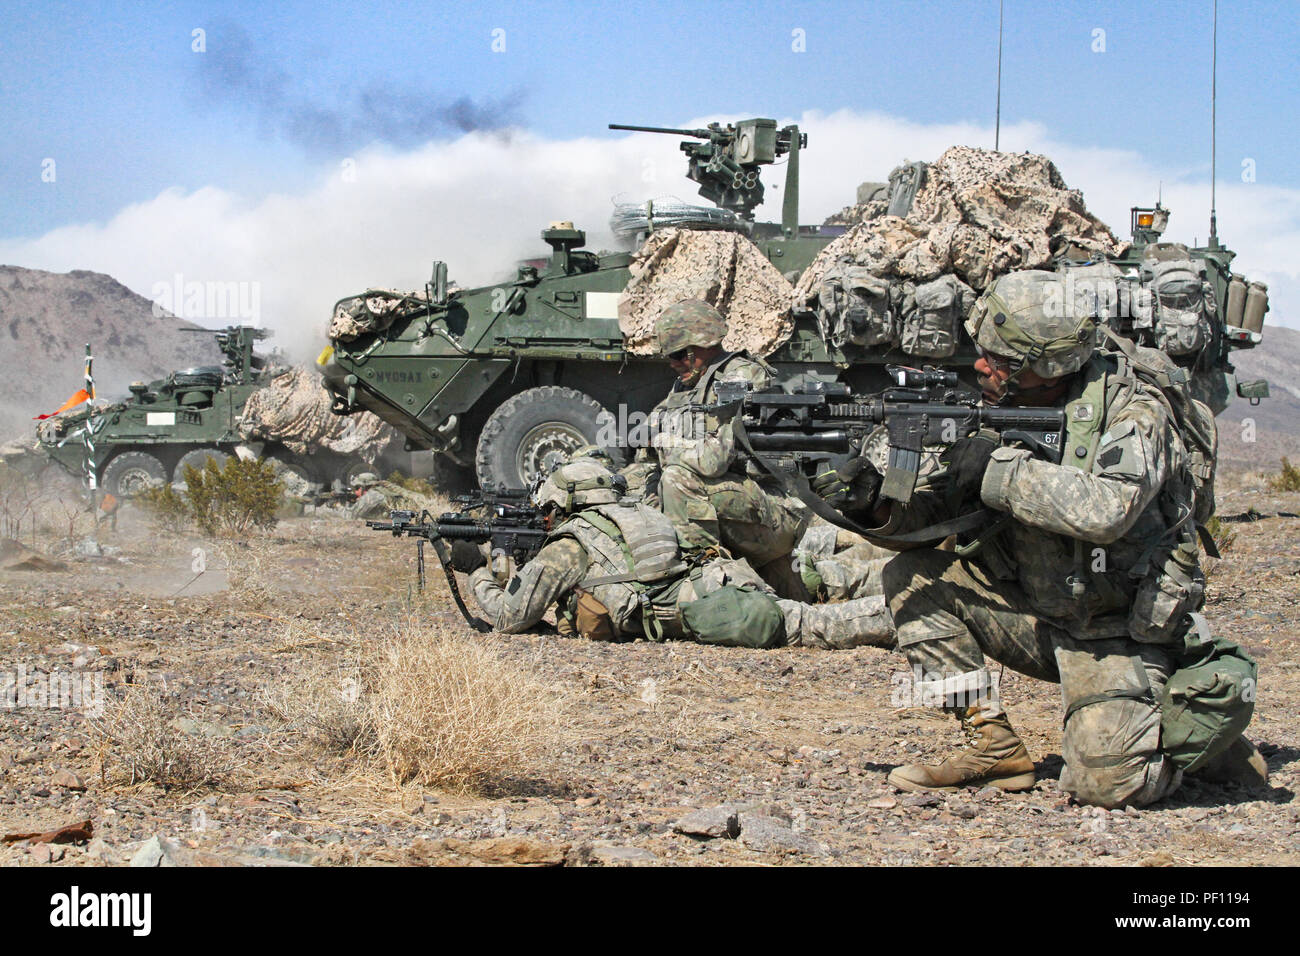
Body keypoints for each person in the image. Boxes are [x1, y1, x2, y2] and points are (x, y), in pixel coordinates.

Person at [852, 269, 1265, 808]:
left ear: (1043, 370)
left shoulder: (1136, 411)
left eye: (998, 362)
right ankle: (993, 747)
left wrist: (996, 471)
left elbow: (1108, 511)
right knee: (912, 579)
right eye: (982, 352)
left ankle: (1196, 729)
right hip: (1039, 616)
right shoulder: (995, 404)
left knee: (1104, 787)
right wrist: (870, 503)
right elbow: (938, 519)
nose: (979, 366)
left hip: (1119, 634)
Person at [459, 457, 893, 650]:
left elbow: (509, 618)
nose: (549, 517)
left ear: (568, 503)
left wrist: (477, 570)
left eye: (552, 509)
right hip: (725, 576)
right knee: (818, 587)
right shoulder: (635, 512)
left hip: (713, 603)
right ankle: (899, 580)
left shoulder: (573, 543)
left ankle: (904, 614)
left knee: (806, 626)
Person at [634, 298, 811, 599]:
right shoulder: (687, 384)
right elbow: (649, 444)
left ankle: (706, 586)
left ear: (699, 347)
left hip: (776, 512)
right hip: (739, 507)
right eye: (670, 357)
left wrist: (661, 442)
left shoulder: (740, 378)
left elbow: (712, 459)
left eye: (678, 355)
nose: (673, 363)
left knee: (677, 479)